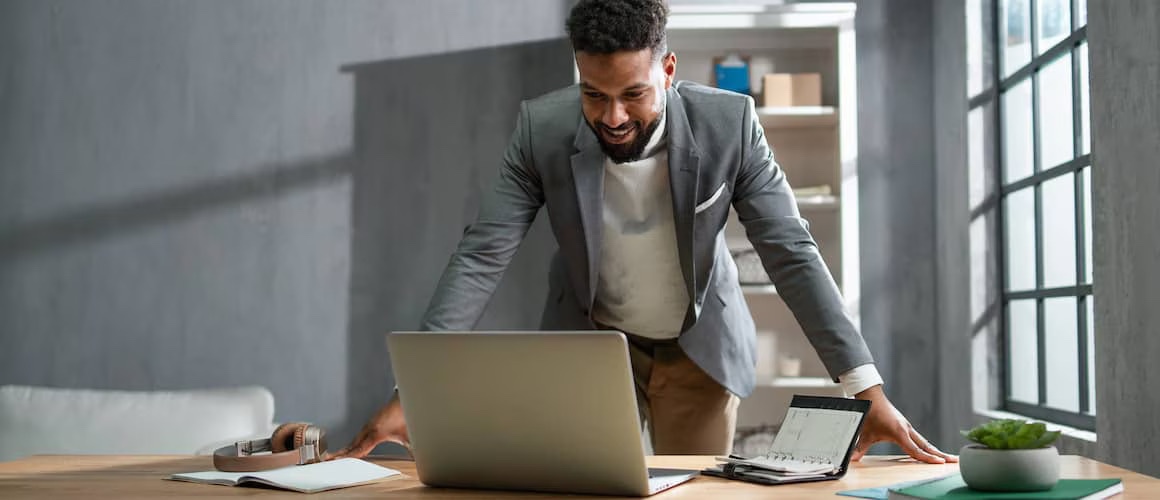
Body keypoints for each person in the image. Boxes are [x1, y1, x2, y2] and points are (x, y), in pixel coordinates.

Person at [332, 0, 956, 463]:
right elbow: (480, 254)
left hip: (700, 347)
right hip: (593, 346)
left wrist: (863, 387)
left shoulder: (729, 123)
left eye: (633, 94)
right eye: (593, 95)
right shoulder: (540, 130)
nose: (613, 116)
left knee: (694, 489)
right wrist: (413, 387)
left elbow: (792, 251)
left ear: (668, 68)